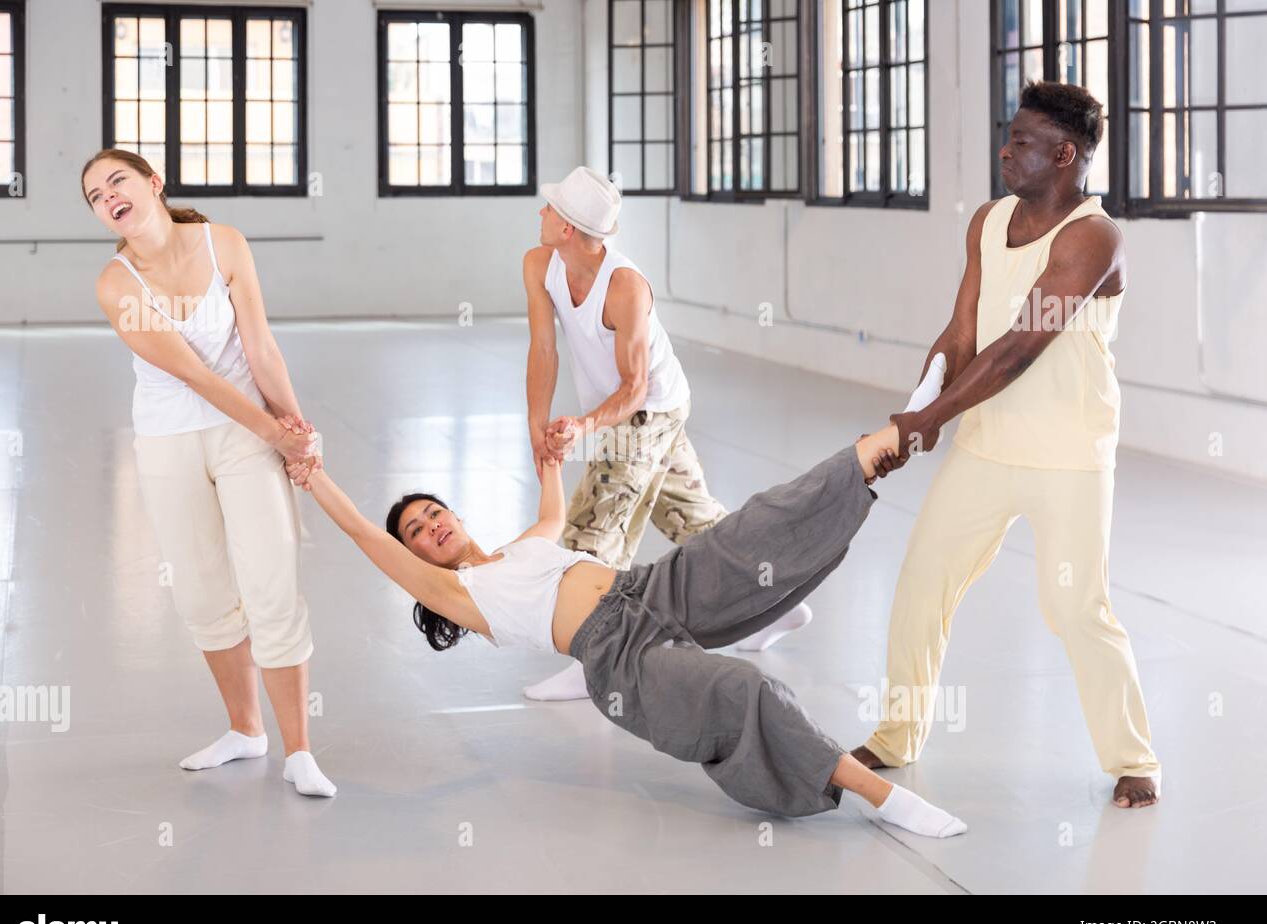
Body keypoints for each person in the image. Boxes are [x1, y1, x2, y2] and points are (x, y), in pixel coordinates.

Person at [282, 420, 966, 837]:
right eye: (416, 531)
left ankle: (878, 448)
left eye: (434, 512)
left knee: (750, 527)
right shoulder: (457, 593)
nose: (431, 526)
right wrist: (315, 478)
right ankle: (882, 797)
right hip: (619, 656)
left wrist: (551, 458)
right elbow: (364, 534)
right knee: (742, 690)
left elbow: (552, 515)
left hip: (646, 588)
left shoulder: (518, 550)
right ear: (416, 557)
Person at [854, 81, 1161, 808]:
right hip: (987, 445)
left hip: (1069, 455)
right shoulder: (989, 222)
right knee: (923, 583)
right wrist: (915, 411)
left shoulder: (1093, 238)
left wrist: (929, 422)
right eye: (1008, 135)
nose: (1005, 149)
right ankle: (896, 736)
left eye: (1022, 140)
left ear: (1065, 155)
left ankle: (1134, 758)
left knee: (1076, 608)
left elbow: (1020, 346)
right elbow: (963, 332)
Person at [81, 149, 335, 797]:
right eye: (95, 196)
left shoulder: (225, 244)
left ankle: (299, 752)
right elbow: (192, 373)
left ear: (154, 183)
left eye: (117, 181)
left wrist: (298, 432)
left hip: (246, 435)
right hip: (169, 443)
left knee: (273, 587)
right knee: (201, 593)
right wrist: (275, 433)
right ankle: (246, 731)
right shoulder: (115, 284)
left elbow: (260, 347)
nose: (108, 196)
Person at [521, 165, 811, 702]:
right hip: (636, 407)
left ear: (567, 227)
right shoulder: (540, 264)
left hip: (651, 408)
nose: (540, 212)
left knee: (593, 526)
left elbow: (634, 389)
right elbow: (543, 349)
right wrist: (536, 426)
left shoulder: (626, 288)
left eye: (549, 207)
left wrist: (583, 426)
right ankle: (777, 604)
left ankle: (594, 661)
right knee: (690, 519)